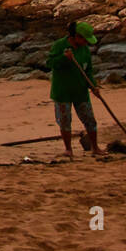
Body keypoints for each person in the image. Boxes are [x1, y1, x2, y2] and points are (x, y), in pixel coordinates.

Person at [46, 20, 100, 157]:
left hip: (80, 91)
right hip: (62, 92)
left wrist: (93, 86)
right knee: (65, 121)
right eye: (85, 40)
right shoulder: (59, 46)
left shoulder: (85, 50)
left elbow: (88, 71)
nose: (86, 43)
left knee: (90, 120)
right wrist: (64, 58)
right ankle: (68, 149)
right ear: (76, 37)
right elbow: (50, 63)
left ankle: (95, 147)